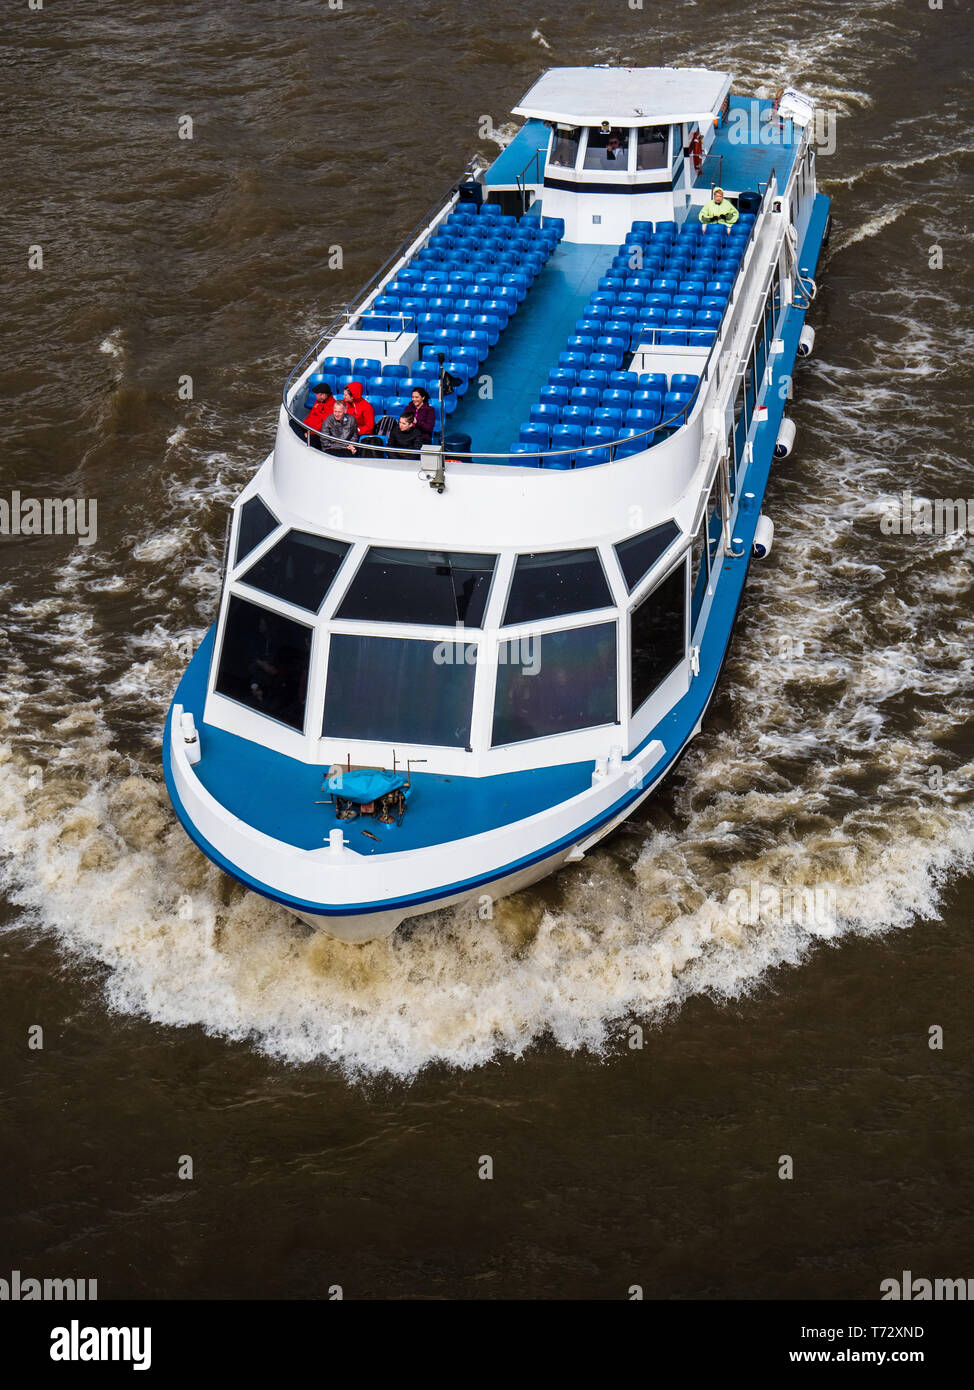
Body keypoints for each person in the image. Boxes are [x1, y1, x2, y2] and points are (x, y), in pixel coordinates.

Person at [298, 381, 336, 449]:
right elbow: (311, 414)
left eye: (317, 393)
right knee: (292, 422)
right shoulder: (318, 401)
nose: (315, 395)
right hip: (309, 428)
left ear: (323, 395)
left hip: (318, 433)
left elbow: (323, 425)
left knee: (308, 442)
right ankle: (302, 439)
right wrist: (304, 425)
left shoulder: (332, 406)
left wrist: (310, 433)